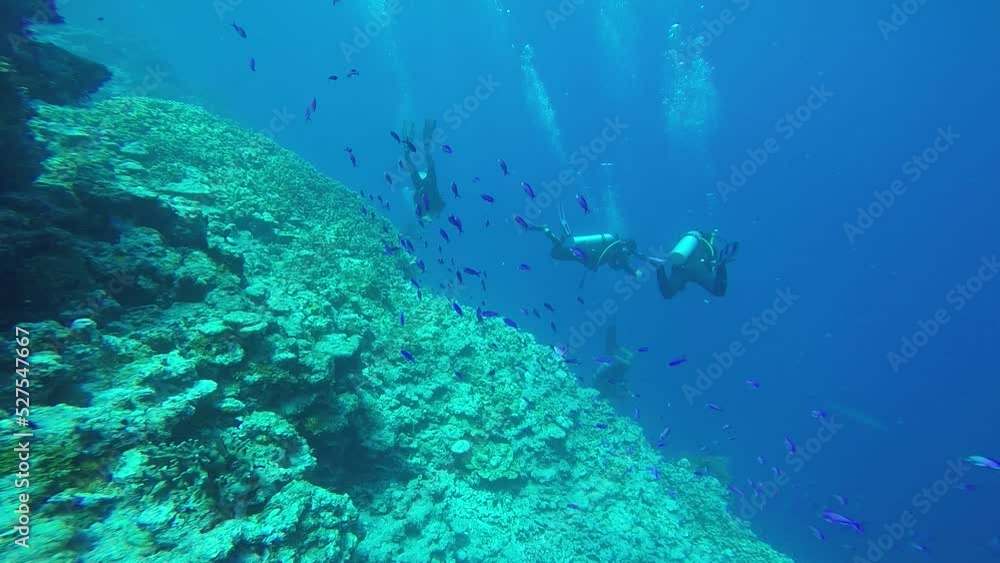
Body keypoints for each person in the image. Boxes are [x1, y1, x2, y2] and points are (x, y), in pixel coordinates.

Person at [526, 205, 644, 284]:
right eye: (629, 251)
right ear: (627, 247)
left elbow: (613, 265)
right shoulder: (619, 250)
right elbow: (621, 265)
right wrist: (634, 273)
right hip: (585, 255)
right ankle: (556, 233)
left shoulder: (616, 247)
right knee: (556, 254)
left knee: (556, 253)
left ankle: (549, 232)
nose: (628, 254)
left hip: (585, 255)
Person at [655, 229, 739, 300]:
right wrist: (720, 265)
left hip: (681, 268)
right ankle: (721, 264)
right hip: (699, 269)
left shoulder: (685, 245)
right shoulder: (707, 244)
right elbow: (712, 257)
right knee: (719, 291)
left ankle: (659, 267)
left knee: (667, 294)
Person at [401, 118, 444, 221]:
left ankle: (411, 133)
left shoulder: (428, 209)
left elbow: (416, 198)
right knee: (410, 159)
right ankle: (411, 134)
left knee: (426, 156)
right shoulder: (429, 210)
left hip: (426, 186)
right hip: (425, 186)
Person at [593, 324, 635, 401]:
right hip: (608, 374)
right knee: (629, 359)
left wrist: (626, 391)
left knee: (629, 359)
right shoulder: (616, 375)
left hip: (607, 374)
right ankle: (614, 350)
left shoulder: (614, 373)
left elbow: (620, 382)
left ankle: (614, 349)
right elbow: (620, 382)